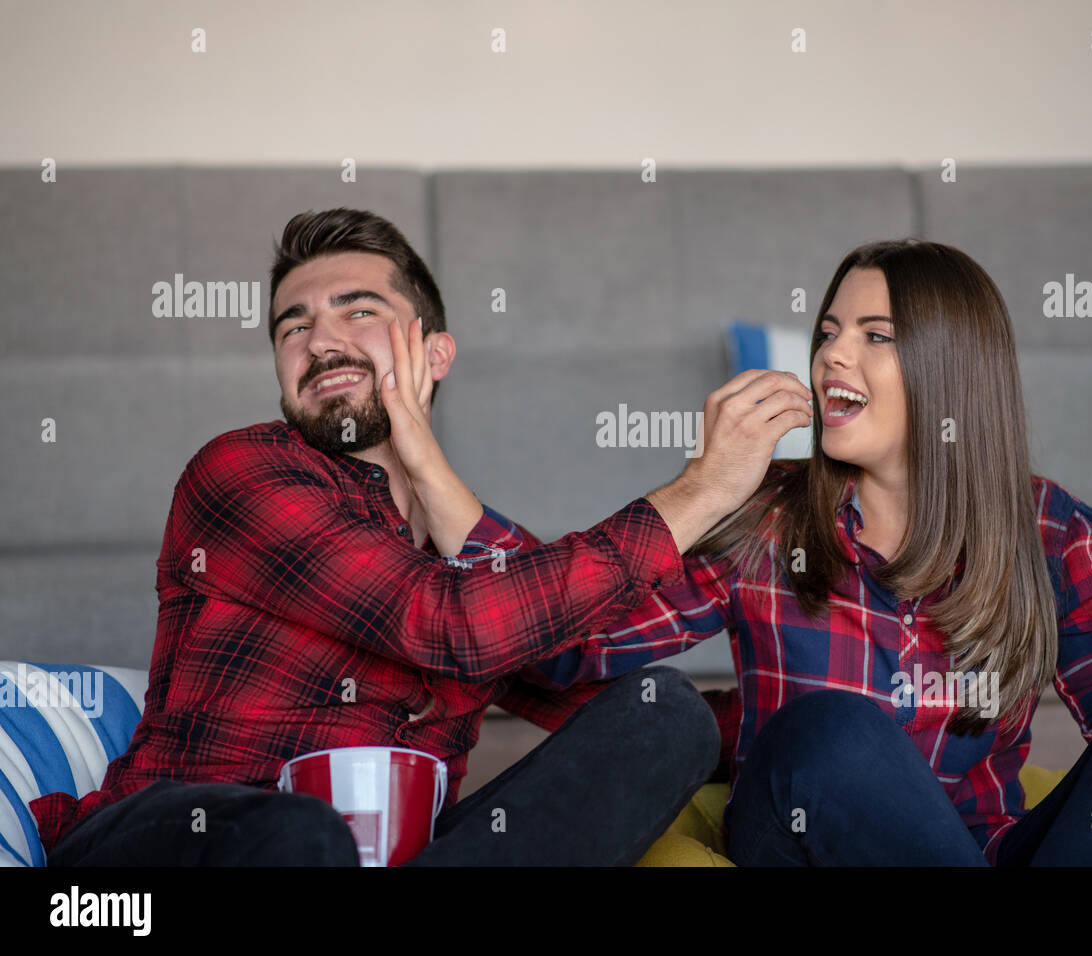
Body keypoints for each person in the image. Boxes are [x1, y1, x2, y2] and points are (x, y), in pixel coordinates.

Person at [30, 207, 813, 866]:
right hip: (182, 844)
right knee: (302, 834)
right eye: (292, 326)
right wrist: (705, 489)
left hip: (396, 855)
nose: (321, 339)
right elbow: (454, 624)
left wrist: (834, 716)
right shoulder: (244, 470)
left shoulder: (462, 552)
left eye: (357, 310)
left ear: (435, 353)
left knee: (661, 713)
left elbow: (570, 672)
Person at [520, 238, 1092, 866]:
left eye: (875, 336)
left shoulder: (1048, 526)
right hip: (801, 840)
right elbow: (559, 648)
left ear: (952, 372)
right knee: (831, 730)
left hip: (982, 851)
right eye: (830, 332)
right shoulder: (764, 513)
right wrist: (699, 489)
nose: (833, 355)